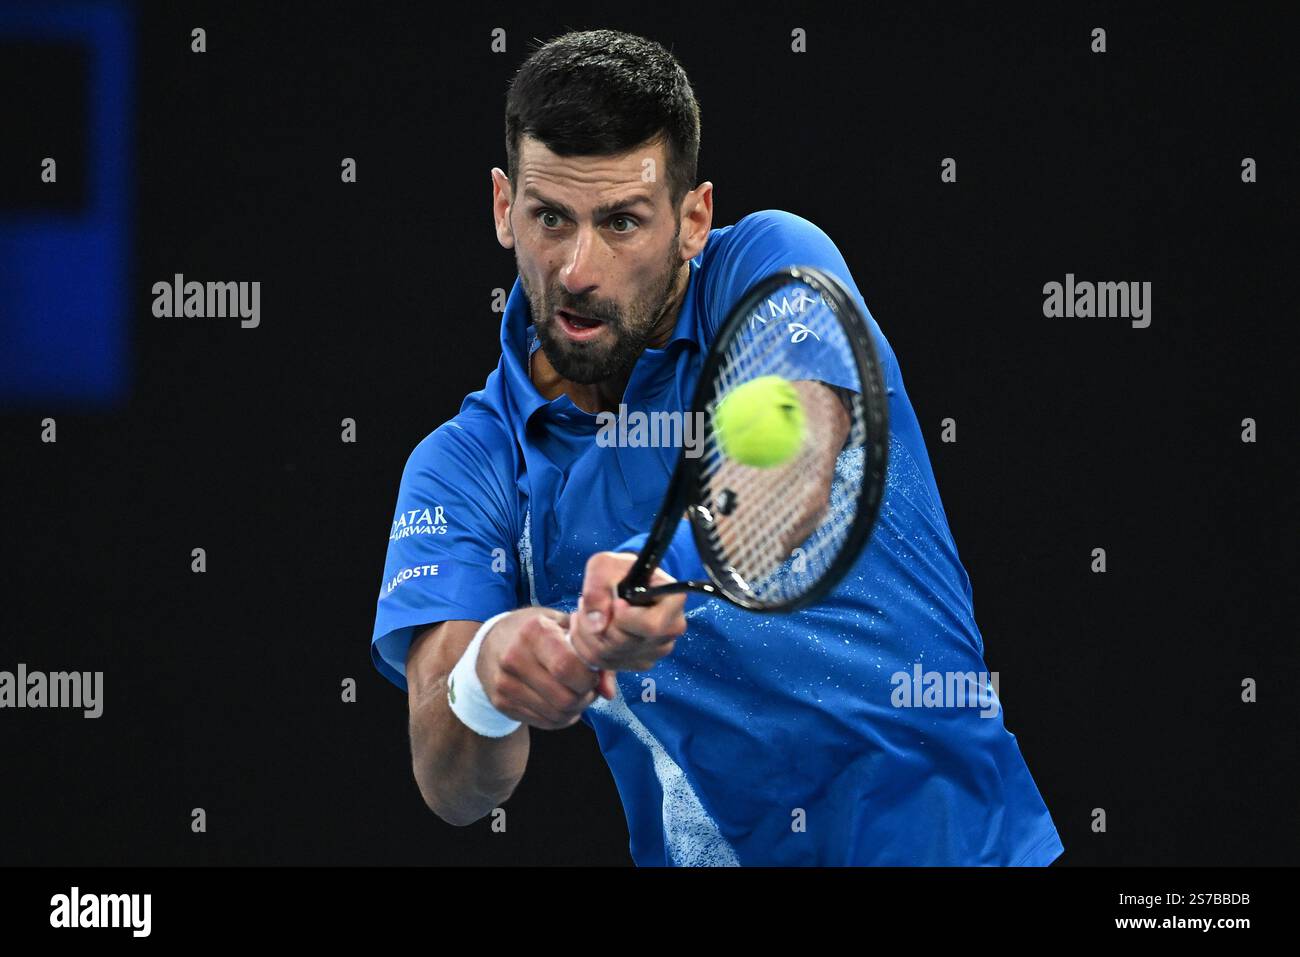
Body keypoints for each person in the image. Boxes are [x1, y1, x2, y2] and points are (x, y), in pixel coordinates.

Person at [371, 28, 1064, 866]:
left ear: (694, 218)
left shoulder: (772, 265)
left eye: (622, 222)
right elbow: (449, 780)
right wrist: (487, 679)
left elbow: (800, 457)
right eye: (549, 217)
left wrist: (662, 569)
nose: (578, 268)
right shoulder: (464, 466)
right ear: (500, 208)